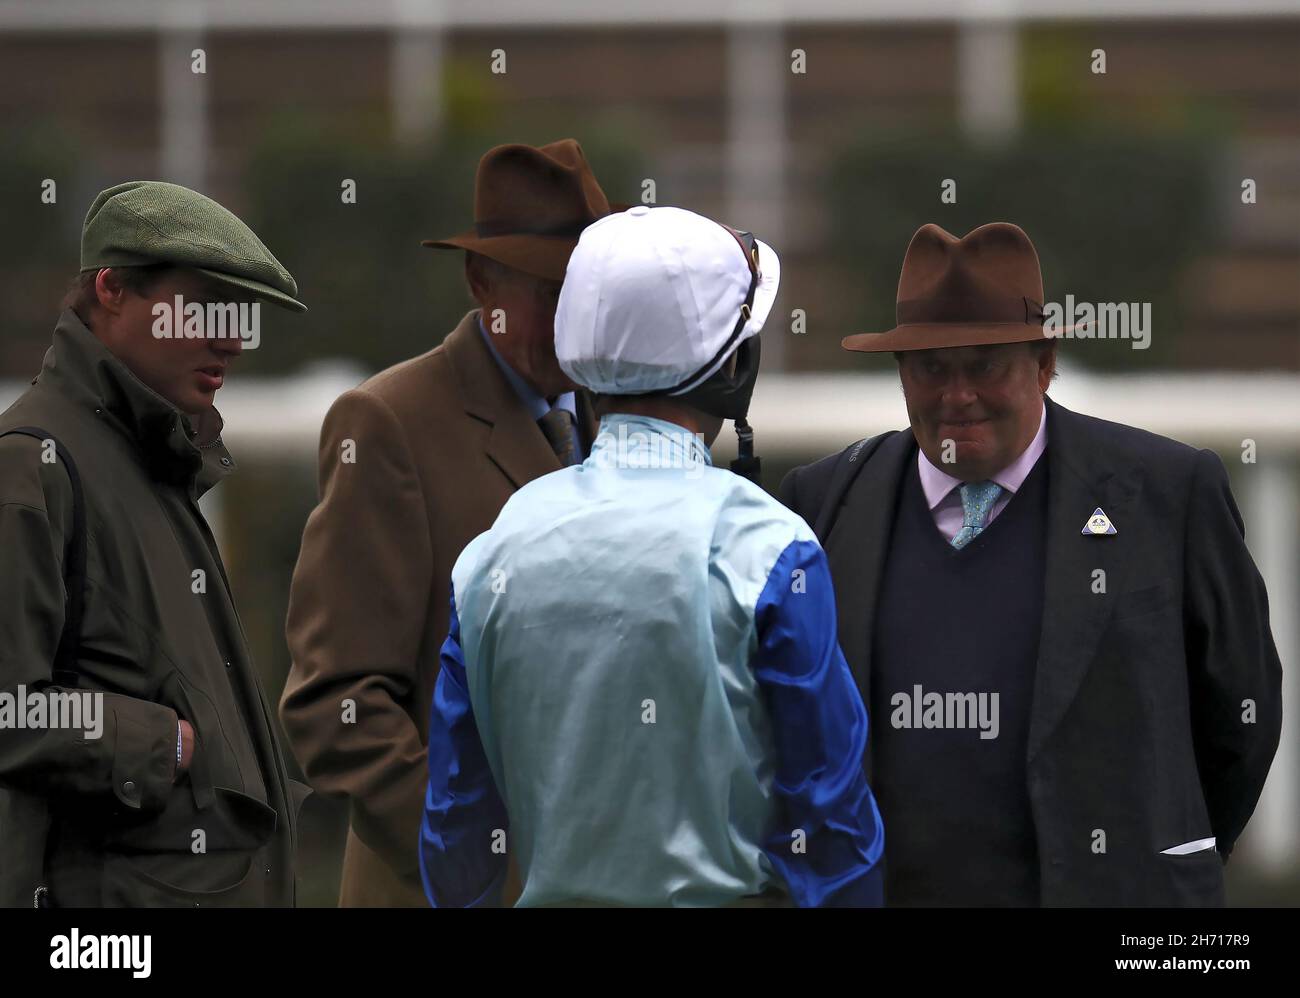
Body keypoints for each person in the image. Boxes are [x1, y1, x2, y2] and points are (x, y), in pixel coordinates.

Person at [779, 221, 1283, 906]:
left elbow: (1241, 716)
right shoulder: (826, 499)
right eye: (931, 368)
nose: (957, 396)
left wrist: (1162, 851)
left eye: (985, 364)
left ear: (1044, 363)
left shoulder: (1168, 493)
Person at [419, 205, 885, 907]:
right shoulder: (770, 547)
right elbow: (832, 821)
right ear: (733, 366)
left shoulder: (491, 556)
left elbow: (456, 826)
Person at [281, 139, 618, 906]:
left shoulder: (622, 415)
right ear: (480, 282)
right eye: (551, 291)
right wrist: (476, 864)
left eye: (591, 291)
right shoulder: (388, 424)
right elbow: (336, 706)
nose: (578, 319)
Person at [0, 181, 310, 907]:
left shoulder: (153, 458)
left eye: (241, 314)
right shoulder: (34, 464)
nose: (232, 337)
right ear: (111, 289)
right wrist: (157, 742)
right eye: (202, 306)